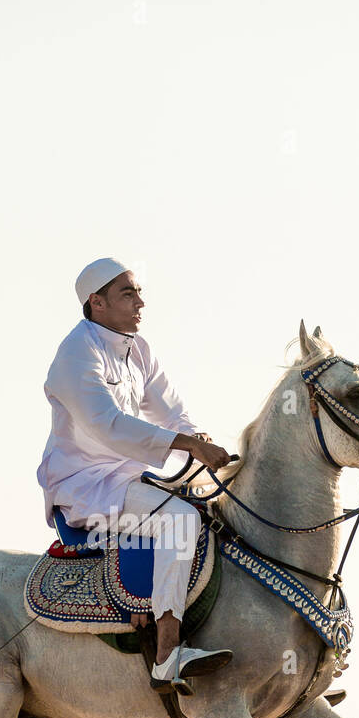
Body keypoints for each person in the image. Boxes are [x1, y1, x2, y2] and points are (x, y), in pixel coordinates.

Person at [36, 257, 233, 689]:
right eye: (129, 294)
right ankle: (167, 652)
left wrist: (197, 437)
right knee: (181, 519)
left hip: (131, 473)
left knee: (227, 498)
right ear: (97, 302)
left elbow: (171, 409)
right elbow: (108, 426)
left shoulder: (138, 348)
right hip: (86, 484)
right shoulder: (75, 353)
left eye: (139, 292)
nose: (141, 302)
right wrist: (189, 445)